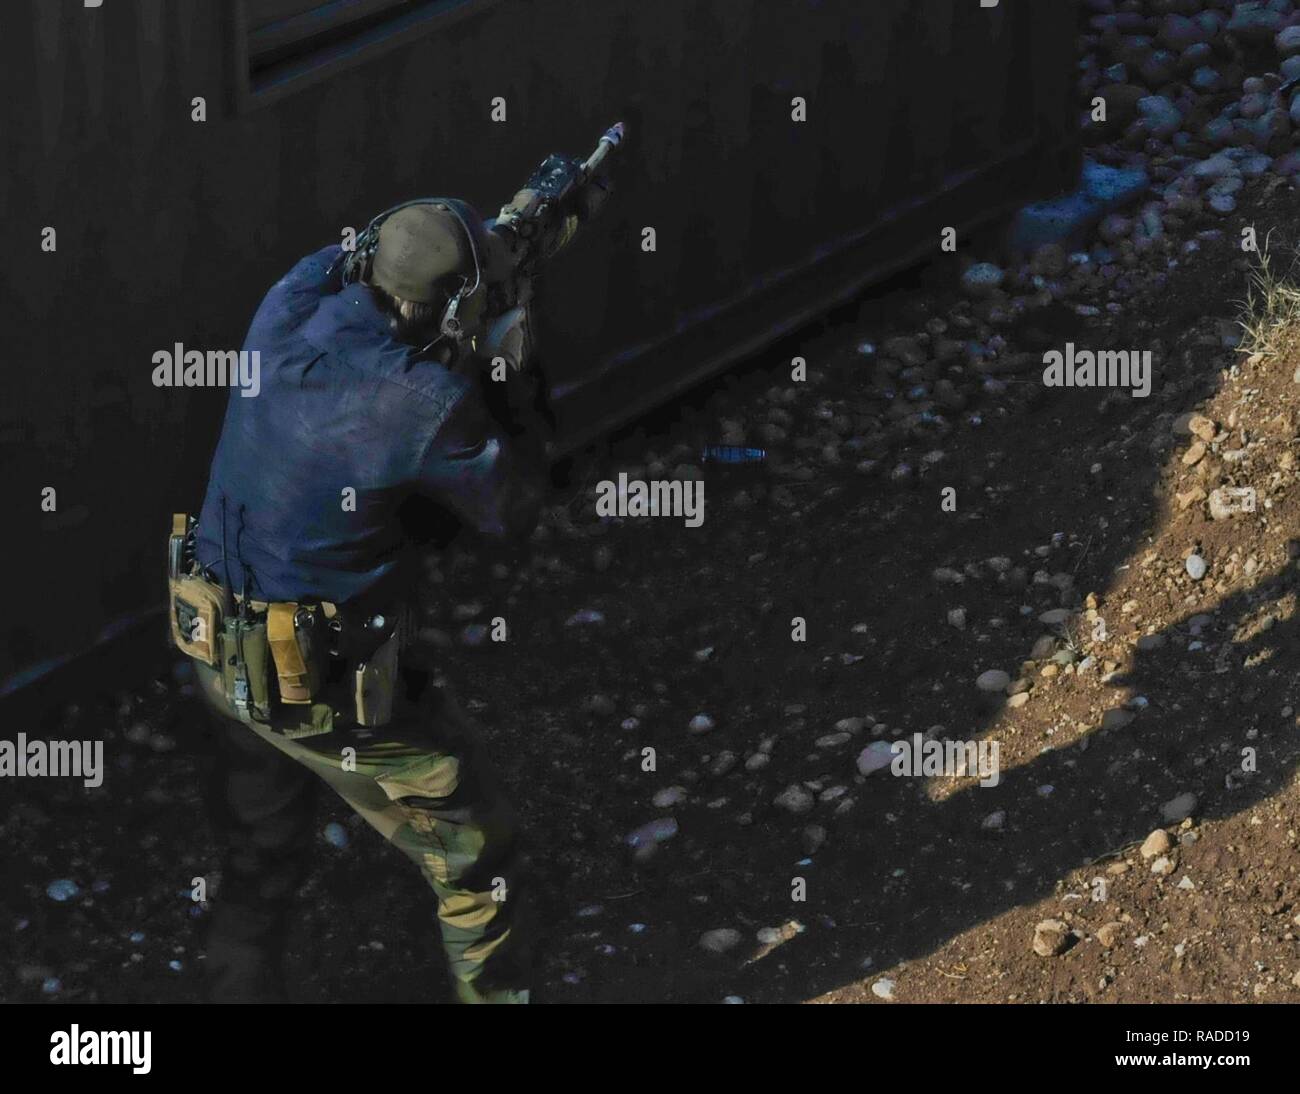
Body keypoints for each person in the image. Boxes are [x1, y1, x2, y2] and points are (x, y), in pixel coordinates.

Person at [187, 199, 549, 1004]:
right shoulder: (422, 402)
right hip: (315, 688)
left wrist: (470, 243)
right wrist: (508, 364)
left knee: (259, 847)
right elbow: (510, 511)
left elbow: (353, 257)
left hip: (211, 640)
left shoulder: (286, 304)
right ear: (454, 308)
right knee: (474, 855)